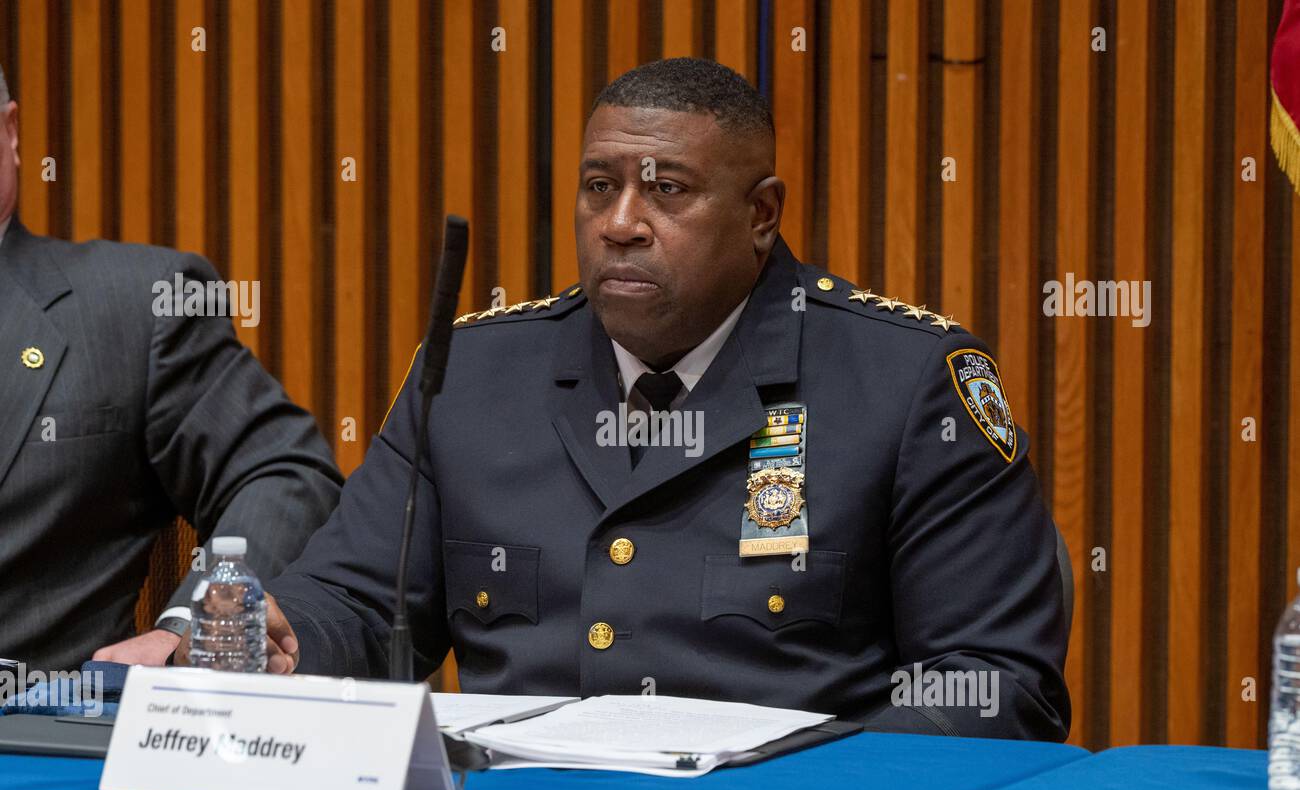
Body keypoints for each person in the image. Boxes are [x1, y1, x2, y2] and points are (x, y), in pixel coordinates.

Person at [231, 58, 1070, 741]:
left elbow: (993, 681)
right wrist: (277, 637)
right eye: (600, 186)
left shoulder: (906, 382)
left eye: (667, 190)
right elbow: (359, 604)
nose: (621, 223)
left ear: (762, 215)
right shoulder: (474, 374)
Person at [0, 62, 343, 672]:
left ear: (11, 131)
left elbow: (284, 472)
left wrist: (191, 628)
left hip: (32, 741)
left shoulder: (135, 306)